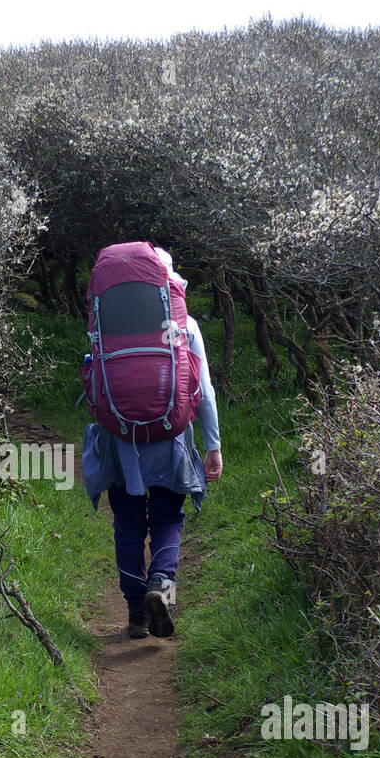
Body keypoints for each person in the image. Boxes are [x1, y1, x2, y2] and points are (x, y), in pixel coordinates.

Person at [82, 247, 222, 638]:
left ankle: (135, 615)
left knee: (127, 524)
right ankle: (162, 583)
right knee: (167, 518)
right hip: (170, 439)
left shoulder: (103, 324)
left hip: (120, 439)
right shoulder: (185, 326)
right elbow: (205, 392)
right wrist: (213, 446)